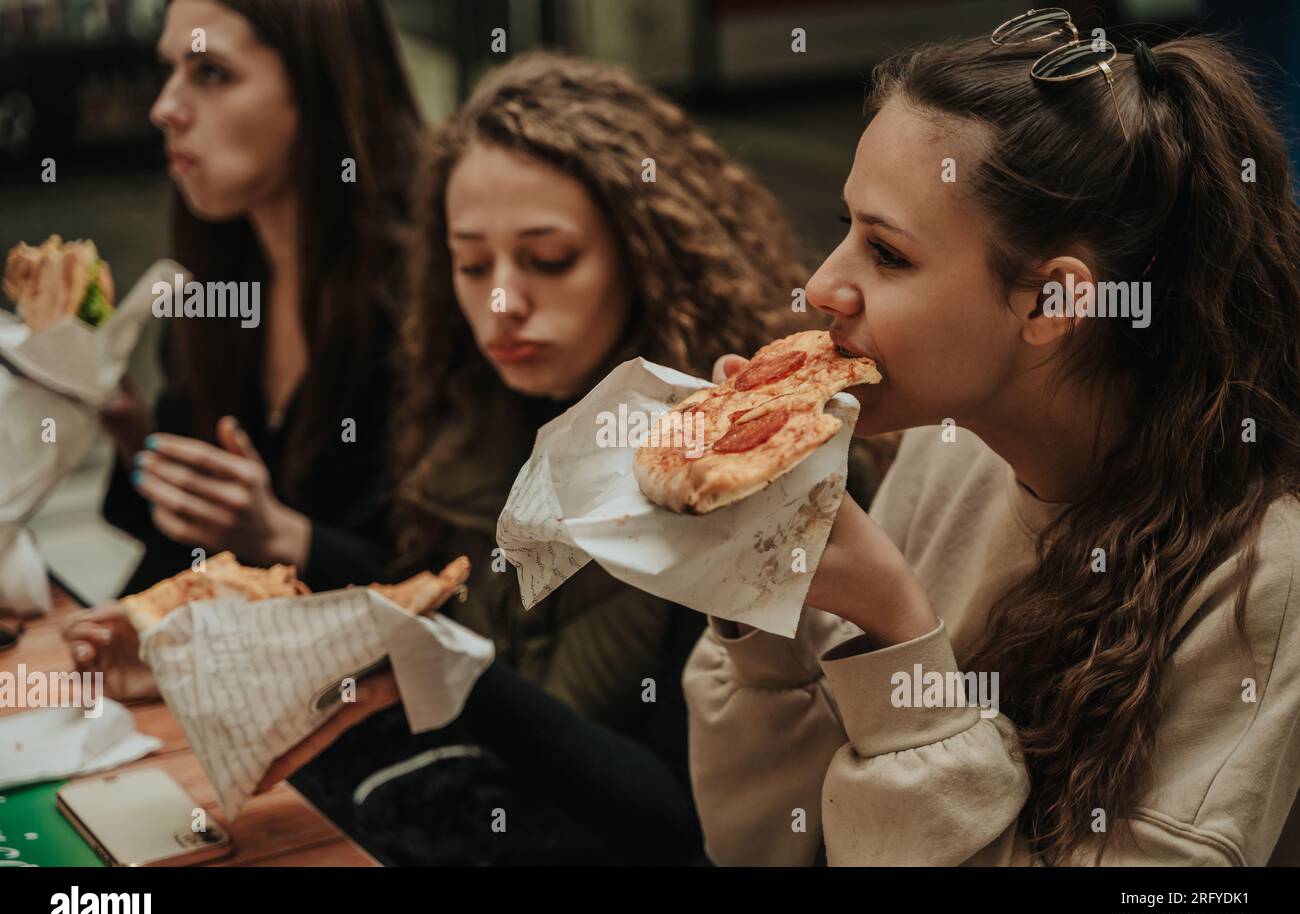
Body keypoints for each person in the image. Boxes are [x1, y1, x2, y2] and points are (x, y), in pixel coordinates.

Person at [684, 25, 1300, 865]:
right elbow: (769, 842)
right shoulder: (948, 449)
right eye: (845, 225)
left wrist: (898, 629)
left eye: (887, 253)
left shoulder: (1269, 580)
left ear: (1051, 302)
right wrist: (759, 603)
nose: (822, 284)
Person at [277, 53, 897, 865]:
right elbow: (437, 586)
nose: (502, 302)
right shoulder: (477, 408)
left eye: (549, 260)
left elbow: (688, 819)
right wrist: (293, 544)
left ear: (646, 255)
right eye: (471, 264)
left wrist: (458, 674)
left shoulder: (738, 452)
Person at [98, 0, 421, 597]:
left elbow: (456, 594)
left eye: (211, 73)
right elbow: (185, 554)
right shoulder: (216, 287)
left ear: (319, 86)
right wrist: (134, 437)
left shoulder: (427, 300)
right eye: (169, 69)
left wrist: (283, 536)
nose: (164, 108)